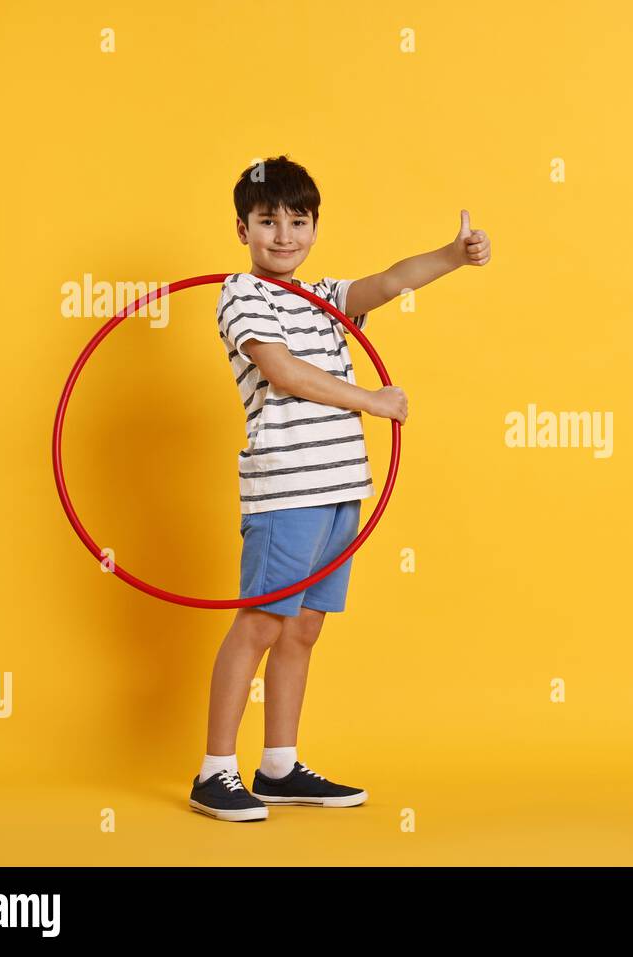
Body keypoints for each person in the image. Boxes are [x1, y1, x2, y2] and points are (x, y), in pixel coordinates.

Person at [189, 155, 491, 822]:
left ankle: (279, 766)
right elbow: (285, 371)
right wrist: (371, 400)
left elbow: (388, 281)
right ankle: (214, 771)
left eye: (297, 221)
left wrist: (454, 253)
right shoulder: (243, 294)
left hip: (339, 490)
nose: (284, 235)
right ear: (243, 229)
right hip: (286, 489)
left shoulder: (324, 297)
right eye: (268, 221)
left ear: (315, 228)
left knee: (302, 629)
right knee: (263, 621)